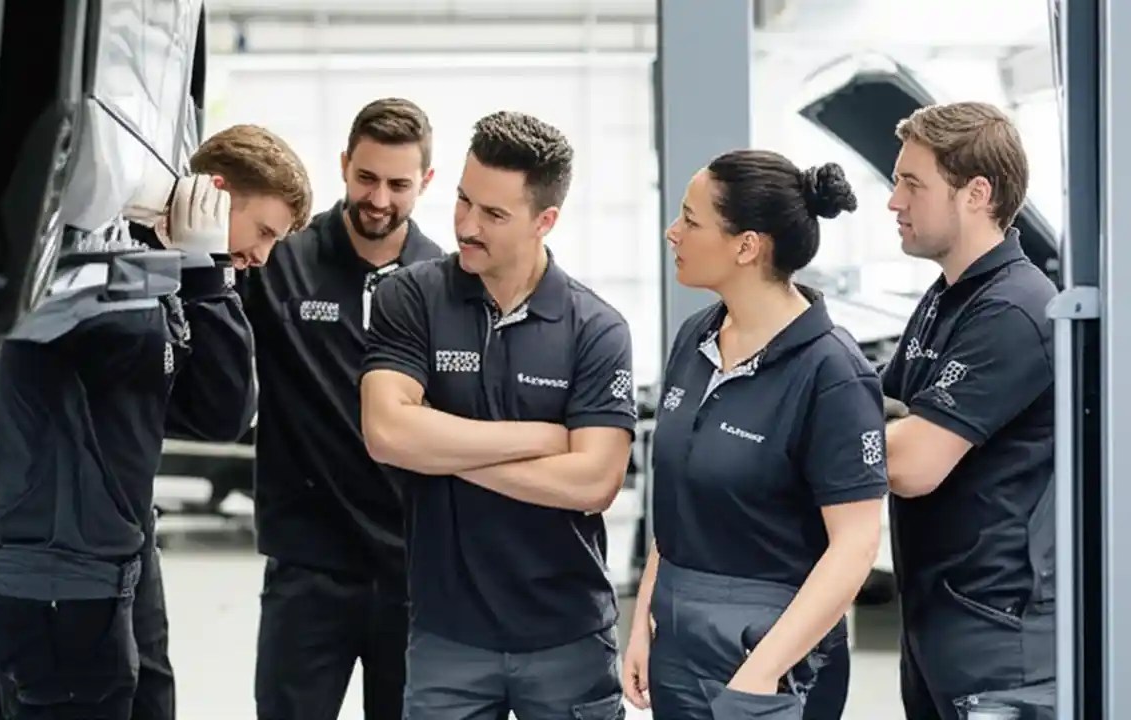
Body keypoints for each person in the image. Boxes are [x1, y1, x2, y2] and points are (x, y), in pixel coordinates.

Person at [0, 124, 312, 720]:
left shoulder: (154, 280)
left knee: (151, 698)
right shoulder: (92, 271)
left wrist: (202, 273)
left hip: (117, 562)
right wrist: (202, 273)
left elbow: (223, 413)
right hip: (58, 579)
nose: (261, 256)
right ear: (218, 193)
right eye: (263, 232)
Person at [359, 110, 635, 720]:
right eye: (462, 200)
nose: (465, 225)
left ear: (546, 221)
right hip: (446, 634)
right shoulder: (411, 298)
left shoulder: (596, 328)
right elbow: (386, 433)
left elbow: (594, 482)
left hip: (568, 637)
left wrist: (441, 451)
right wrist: (538, 439)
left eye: (493, 214)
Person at [620, 150, 887, 720]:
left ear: (747, 245)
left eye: (691, 220)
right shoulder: (696, 337)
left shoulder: (831, 372)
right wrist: (644, 619)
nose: (673, 232)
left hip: (771, 653)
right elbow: (677, 500)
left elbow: (856, 545)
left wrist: (760, 675)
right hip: (677, 635)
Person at [243, 98, 444, 720]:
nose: (379, 198)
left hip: (413, 574)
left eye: (399, 184)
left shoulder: (446, 282)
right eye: (366, 178)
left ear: (426, 183)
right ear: (344, 166)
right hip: (308, 569)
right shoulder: (282, 261)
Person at [880, 102, 1056, 720]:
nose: (893, 202)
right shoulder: (946, 298)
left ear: (976, 193)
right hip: (937, 615)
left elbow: (913, 462)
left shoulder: (1013, 309)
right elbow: (881, 404)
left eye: (911, 183)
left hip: (998, 639)